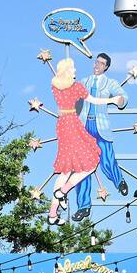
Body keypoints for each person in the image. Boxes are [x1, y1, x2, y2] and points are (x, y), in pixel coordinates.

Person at [72, 53, 129, 223]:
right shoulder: (84, 82)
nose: (97, 65)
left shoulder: (110, 83)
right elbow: (73, 100)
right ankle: (83, 206)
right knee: (82, 168)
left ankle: (119, 181)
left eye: (101, 63)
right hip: (83, 127)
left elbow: (123, 98)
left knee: (107, 159)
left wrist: (117, 100)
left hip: (100, 127)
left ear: (106, 67)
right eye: (96, 62)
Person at [47, 57, 102, 222]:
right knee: (91, 162)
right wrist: (112, 100)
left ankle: (52, 214)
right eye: (73, 68)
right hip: (72, 124)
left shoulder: (55, 87)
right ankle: (63, 191)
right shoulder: (76, 87)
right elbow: (93, 100)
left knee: (65, 171)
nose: (75, 71)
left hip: (63, 124)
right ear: (67, 70)